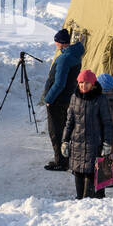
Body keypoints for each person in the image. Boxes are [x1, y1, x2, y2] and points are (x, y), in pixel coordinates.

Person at [62, 69, 113, 199]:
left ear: (93, 84)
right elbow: (69, 122)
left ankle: (92, 205)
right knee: (78, 175)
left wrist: (107, 143)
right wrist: (65, 141)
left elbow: (108, 123)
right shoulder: (74, 98)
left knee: (92, 179)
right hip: (77, 146)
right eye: (81, 83)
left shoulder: (100, 99)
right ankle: (80, 202)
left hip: (94, 145)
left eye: (86, 83)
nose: (83, 86)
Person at [42, 28, 86, 171]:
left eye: (56, 42)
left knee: (56, 131)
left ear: (61, 43)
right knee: (65, 129)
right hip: (67, 98)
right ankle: (66, 158)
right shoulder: (74, 55)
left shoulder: (65, 58)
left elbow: (59, 83)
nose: (55, 44)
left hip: (58, 100)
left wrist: (49, 98)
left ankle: (61, 162)